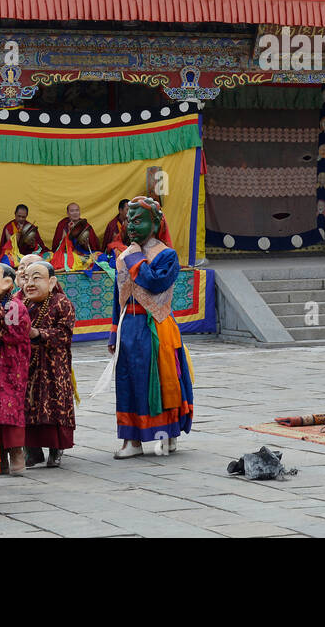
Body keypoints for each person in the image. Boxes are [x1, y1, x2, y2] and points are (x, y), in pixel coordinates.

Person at [109, 196, 194, 458]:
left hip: (155, 326)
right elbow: (118, 296)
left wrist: (135, 260)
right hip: (129, 325)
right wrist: (113, 332)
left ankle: (166, 434)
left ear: (155, 224)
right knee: (127, 381)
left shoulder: (167, 255)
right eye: (128, 221)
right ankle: (131, 440)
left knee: (159, 379)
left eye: (138, 221)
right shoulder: (126, 255)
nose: (131, 226)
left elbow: (155, 283)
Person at [18, 255, 77, 468]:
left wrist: (38, 333)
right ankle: (32, 452)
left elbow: (64, 334)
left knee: (54, 406)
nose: (30, 283)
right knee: (27, 407)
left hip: (53, 367)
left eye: (37, 278)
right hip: (26, 365)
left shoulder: (61, 302)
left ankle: (56, 450)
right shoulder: (21, 301)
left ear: (51, 282)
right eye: (26, 278)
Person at [0, 263, 30, 476]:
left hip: (11, 364)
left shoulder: (13, 306)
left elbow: (13, 334)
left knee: (10, 409)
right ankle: (1, 460)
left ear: (7, 282)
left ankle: (16, 456)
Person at [51, 203, 99, 268]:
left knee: (101, 256)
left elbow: (91, 247)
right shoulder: (63, 224)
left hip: (83, 253)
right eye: (72, 211)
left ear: (79, 212)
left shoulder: (85, 225)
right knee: (62, 259)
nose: (75, 213)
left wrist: (84, 243)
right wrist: (70, 232)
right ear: (68, 213)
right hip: (68, 254)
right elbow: (59, 246)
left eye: (77, 210)